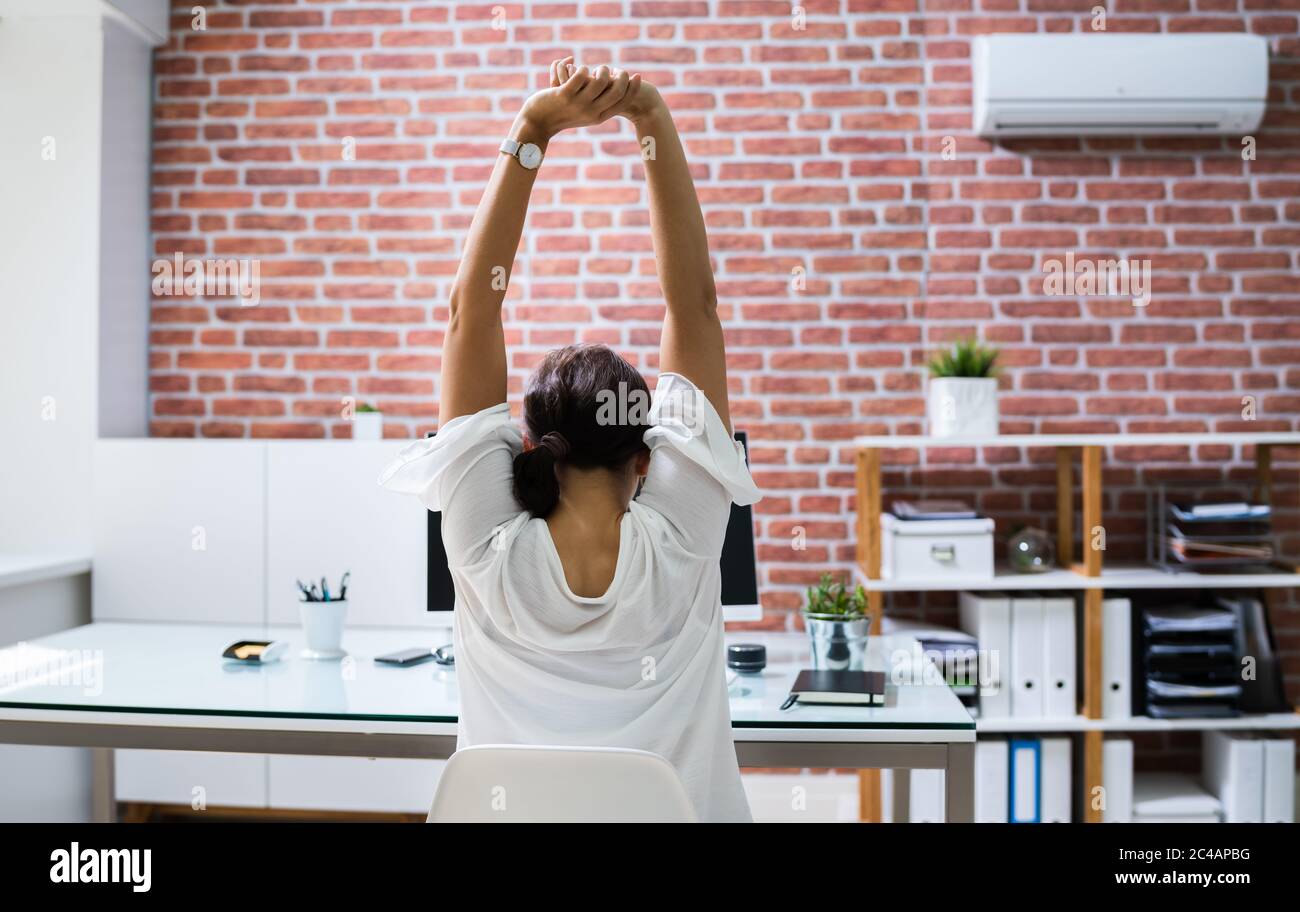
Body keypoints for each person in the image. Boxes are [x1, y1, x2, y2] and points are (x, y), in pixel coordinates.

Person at [380, 59, 761, 822]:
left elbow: (469, 317)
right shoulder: (685, 544)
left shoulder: (485, 548)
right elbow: (696, 308)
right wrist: (650, 121)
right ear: (647, 458)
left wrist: (532, 132)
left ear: (527, 445)